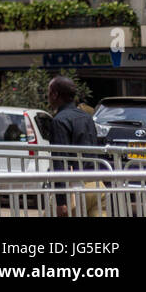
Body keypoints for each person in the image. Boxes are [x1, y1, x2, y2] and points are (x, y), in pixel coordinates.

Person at [47, 76, 104, 217]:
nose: (47, 97)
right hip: (97, 186)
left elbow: (60, 160)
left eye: (49, 92)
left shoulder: (59, 121)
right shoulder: (87, 117)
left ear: (55, 94)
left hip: (74, 189)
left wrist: (61, 201)